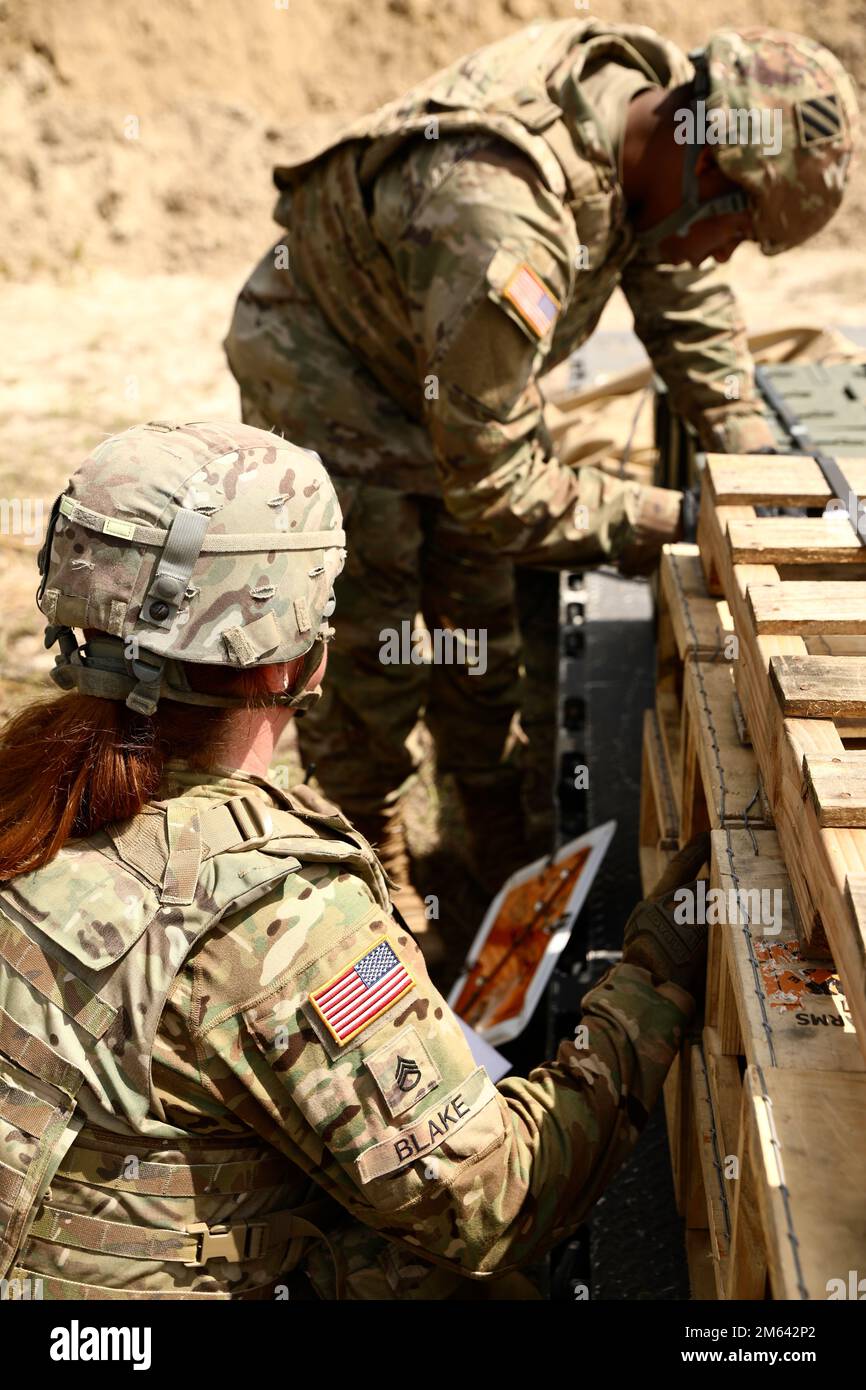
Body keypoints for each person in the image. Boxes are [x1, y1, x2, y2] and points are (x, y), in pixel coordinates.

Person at [0, 419, 708, 1301]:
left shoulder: (24, 796)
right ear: (289, 658)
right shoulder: (275, 914)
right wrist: (654, 977)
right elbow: (499, 1199)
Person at [224, 19, 858, 929]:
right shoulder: (501, 216)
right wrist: (681, 517)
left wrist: (752, 464)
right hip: (340, 377)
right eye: (737, 233)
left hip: (460, 369)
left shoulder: (656, 129)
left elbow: (688, 303)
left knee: (478, 635)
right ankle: (374, 869)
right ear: (710, 172)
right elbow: (498, 489)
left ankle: (486, 845)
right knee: (372, 649)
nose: (723, 255)